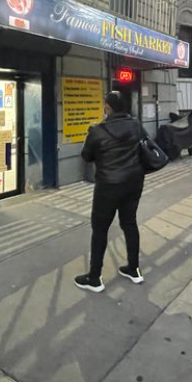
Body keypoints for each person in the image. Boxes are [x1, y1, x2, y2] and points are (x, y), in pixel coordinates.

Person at [75, 91, 146, 292]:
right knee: (129, 223)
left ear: (108, 107)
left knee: (100, 229)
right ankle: (134, 270)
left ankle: (94, 278)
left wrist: (90, 137)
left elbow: (86, 156)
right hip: (133, 182)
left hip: (108, 186)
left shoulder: (98, 131)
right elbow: (144, 147)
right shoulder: (136, 125)